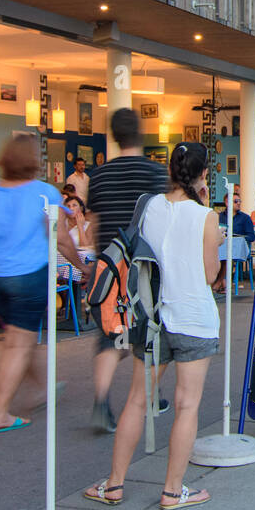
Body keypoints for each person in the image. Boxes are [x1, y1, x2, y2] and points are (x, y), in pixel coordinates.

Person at [84, 141, 221, 510]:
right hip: (194, 319)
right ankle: (173, 492)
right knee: (186, 406)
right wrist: (208, 214)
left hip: (153, 318)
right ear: (204, 174)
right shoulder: (207, 217)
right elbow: (211, 275)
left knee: (136, 401)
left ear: (170, 172)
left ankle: (113, 485)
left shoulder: (148, 206)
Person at [0, 134, 88, 433]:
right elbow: (62, 238)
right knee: (17, 343)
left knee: (19, 336)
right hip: (27, 276)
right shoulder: (44, 193)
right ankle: (1, 413)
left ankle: (41, 388)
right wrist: (80, 266)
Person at [86, 107, 171, 433]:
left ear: (114, 136)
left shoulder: (100, 175)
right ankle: (151, 396)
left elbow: (93, 223)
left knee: (110, 335)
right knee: (149, 331)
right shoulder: (154, 173)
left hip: (110, 264)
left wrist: (96, 261)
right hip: (143, 265)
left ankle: (102, 402)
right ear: (141, 134)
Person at [212, 188, 255, 293]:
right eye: (236, 201)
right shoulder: (220, 216)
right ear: (227, 203)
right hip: (221, 245)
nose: (239, 203)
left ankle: (218, 283)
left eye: (239, 201)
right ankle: (220, 283)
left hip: (238, 248)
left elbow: (252, 236)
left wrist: (239, 238)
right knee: (217, 253)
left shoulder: (245, 218)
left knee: (227, 255)